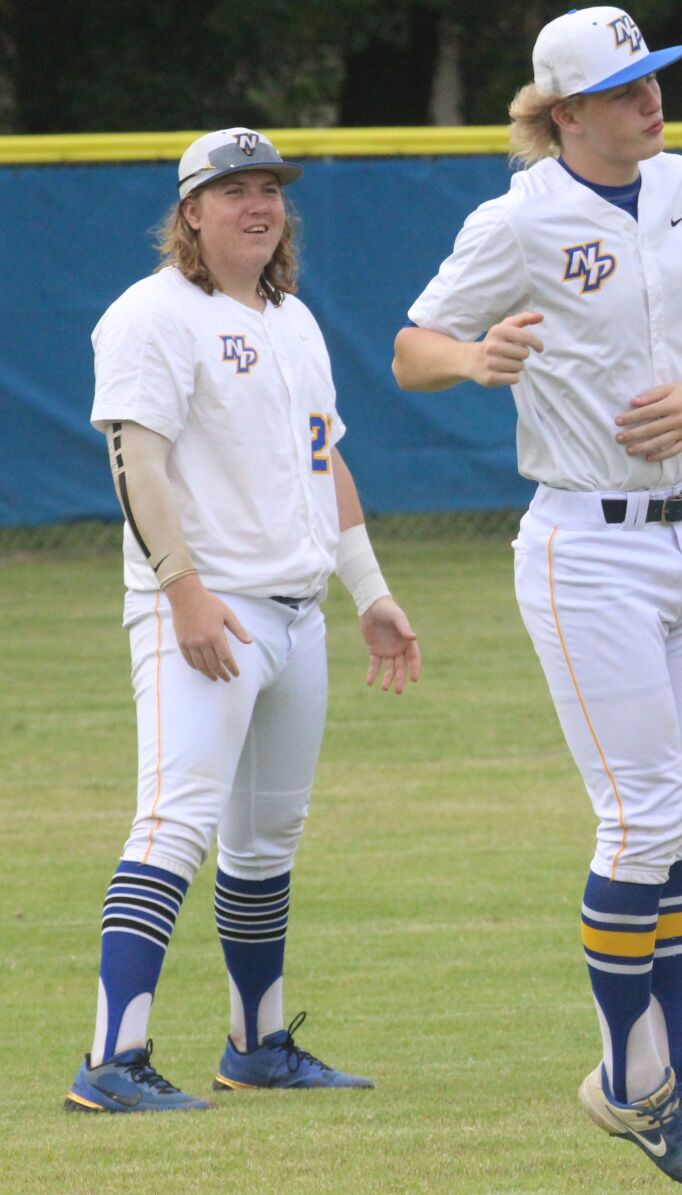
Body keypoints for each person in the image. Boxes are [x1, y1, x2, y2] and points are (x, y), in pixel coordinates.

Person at [390, 8, 682, 1188]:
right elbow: (412, 344)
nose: (649, 100)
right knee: (639, 820)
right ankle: (633, 1087)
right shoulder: (519, 219)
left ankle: (680, 1068)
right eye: (623, 89)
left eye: (651, 80)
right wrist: (477, 360)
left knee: (670, 817)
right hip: (587, 542)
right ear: (565, 113)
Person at [67, 128, 422, 1115]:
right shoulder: (153, 315)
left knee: (266, 840)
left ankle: (257, 1043)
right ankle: (111, 1059)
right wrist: (180, 589)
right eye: (234, 191)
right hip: (207, 608)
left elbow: (325, 462)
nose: (258, 205)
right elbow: (135, 459)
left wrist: (373, 591)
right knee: (174, 823)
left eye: (269, 188)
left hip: (297, 613)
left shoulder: (293, 321)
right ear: (191, 212)